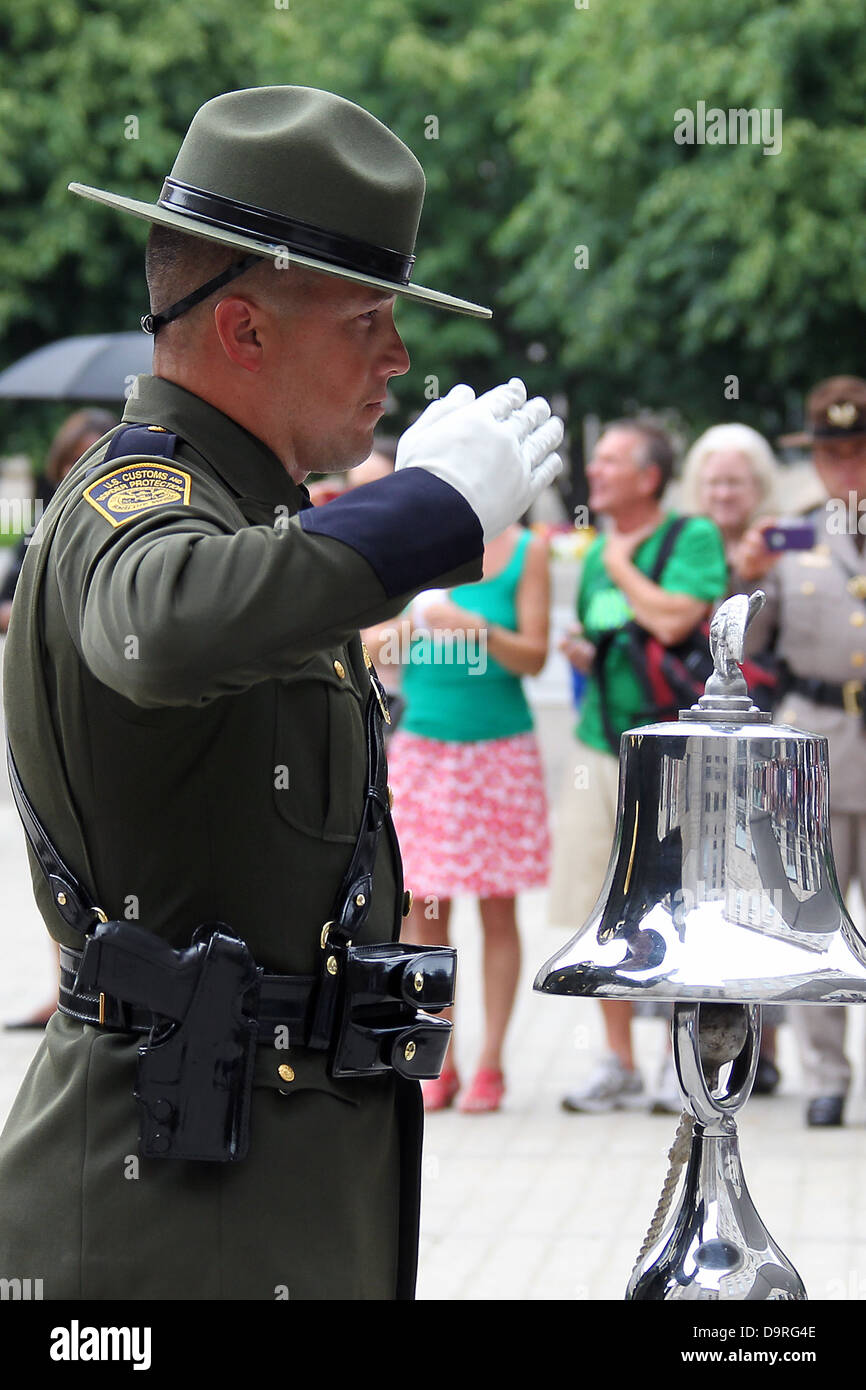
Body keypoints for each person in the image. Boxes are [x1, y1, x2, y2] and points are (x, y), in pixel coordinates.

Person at [0, 85, 563, 1299]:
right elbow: (156, 628)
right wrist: (427, 514)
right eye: (368, 319)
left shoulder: (247, 517)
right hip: (169, 1217)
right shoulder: (130, 502)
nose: (398, 358)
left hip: (269, 1185)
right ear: (245, 331)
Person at [548, 419, 727, 1112]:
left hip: (676, 754)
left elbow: (676, 620)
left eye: (614, 460)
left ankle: (677, 1065)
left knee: (678, 908)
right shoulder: (597, 554)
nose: (596, 470)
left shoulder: (690, 538)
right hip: (601, 746)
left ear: (651, 476)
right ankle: (618, 1062)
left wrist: (621, 561)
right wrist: (588, 655)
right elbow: (621, 634)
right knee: (603, 905)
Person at [382, 521, 551, 1112]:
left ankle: (491, 1064)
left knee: (498, 910)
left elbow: (534, 657)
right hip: (423, 750)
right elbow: (366, 645)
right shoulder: (415, 540)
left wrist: (479, 630)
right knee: (425, 914)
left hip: (499, 750)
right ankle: (437, 1059)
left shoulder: (529, 550)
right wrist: (417, 624)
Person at [739, 376, 866, 1128]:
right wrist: (746, 577)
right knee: (815, 919)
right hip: (816, 741)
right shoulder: (791, 535)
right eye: (832, 454)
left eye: (857, 452)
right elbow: (747, 647)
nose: (844, 468)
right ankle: (828, 1074)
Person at [1, 409, 116, 1032]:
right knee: (54, 852)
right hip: (49, 708)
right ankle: (66, 985)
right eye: (73, 458)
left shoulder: (139, 523)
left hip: (111, 713)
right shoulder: (42, 529)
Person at [679, 421, 784, 1094]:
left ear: (759, 487)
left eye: (736, 481)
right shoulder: (682, 543)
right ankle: (696, 1041)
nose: (723, 492)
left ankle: (761, 1046)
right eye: (714, 479)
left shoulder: (784, 544)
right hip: (692, 745)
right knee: (699, 893)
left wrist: (758, 573)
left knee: (764, 892)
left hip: (762, 745)